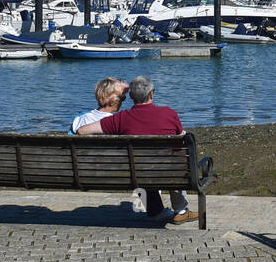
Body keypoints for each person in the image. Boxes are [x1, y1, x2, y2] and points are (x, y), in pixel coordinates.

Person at [76, 75, 197, 225]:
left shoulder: (120, 119)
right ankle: (181, 211)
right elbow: (180, 134)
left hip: (137, 173)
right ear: (152, 94)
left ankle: (156, 211)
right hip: (170, 171)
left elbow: (82, 131)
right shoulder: (169, 113)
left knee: (140, 165)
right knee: (175, 158)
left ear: (131, 96)